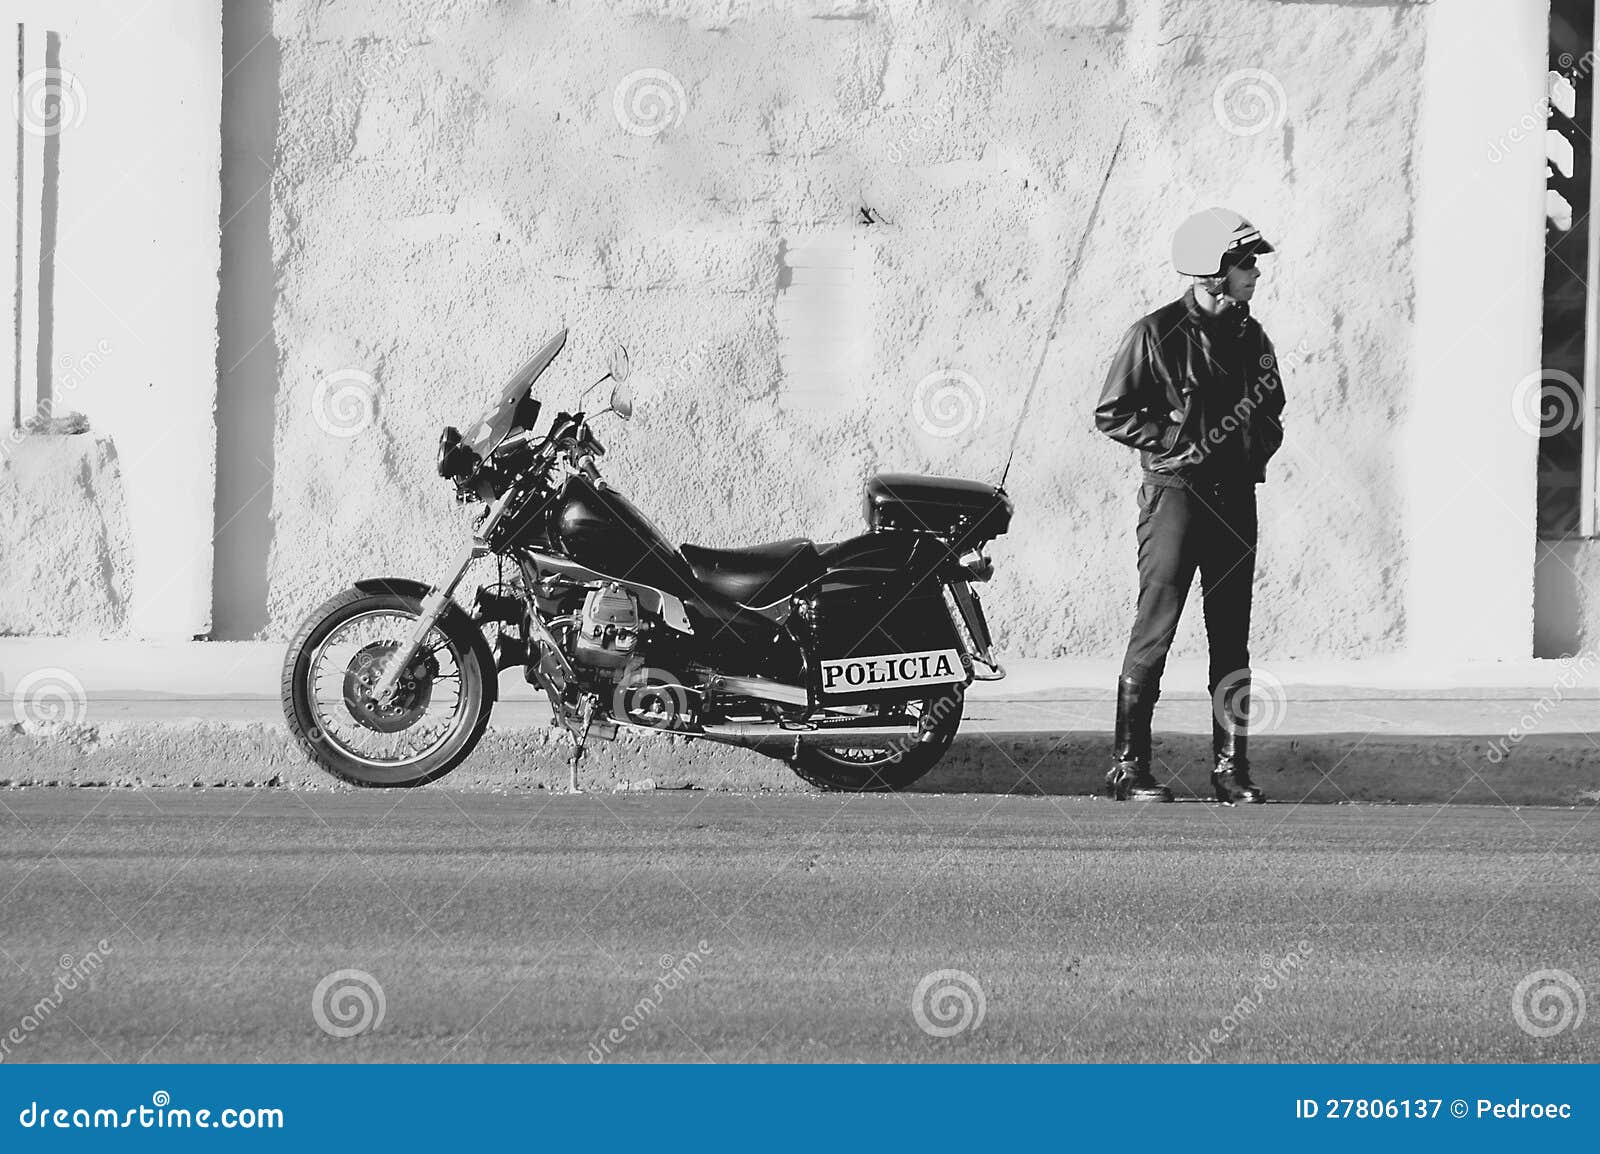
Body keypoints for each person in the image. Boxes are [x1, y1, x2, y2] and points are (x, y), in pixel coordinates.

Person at [1093, 207, 1286, 804]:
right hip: (1175, 499)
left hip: (1235, 502)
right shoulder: (1154, 333)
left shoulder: (1253, 337)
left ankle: (1230, 769)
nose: (1255, 273)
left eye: (1252, 262)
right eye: (1244, 263)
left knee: (1232, 639)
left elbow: (1274, 409)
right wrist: (1180, 441)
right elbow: (1112, 412)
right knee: (1156, 628)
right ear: (1212, 272)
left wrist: (1252, 447)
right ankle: (1129, 768)